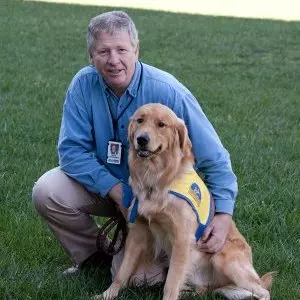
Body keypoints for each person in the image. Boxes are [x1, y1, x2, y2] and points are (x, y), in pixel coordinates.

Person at [32, 11, 237, 282]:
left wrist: (223, 215)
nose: (114, 60)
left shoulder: (169, 92)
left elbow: (215, 158)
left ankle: (160, 262)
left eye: (121, 49)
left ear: (136, 50)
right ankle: (94, 258)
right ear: (90, 56)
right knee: (47, 190)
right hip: (108, 187)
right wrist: (118, 192)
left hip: (159, 198)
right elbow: (71, 152)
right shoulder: (82, 85)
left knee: (140, 280)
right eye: (103, 51)